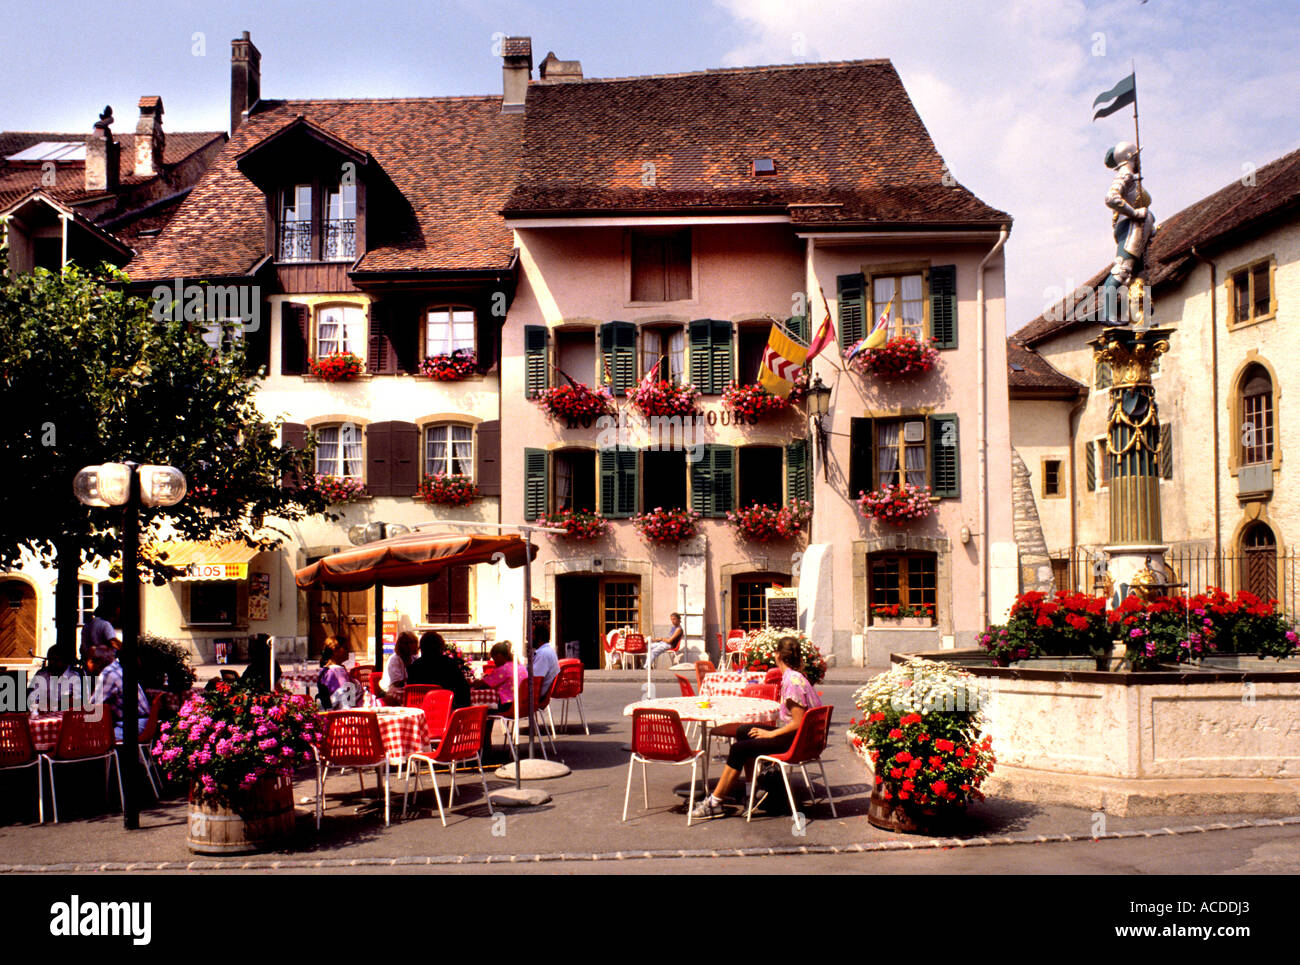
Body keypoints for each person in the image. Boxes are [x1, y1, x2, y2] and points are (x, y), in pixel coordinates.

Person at [692, 634, 821, 820]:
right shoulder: (797, 677)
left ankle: (714, 802)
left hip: (797, 743)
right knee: (745, 731)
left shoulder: (792, 683)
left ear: (777, 655)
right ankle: (751, 791)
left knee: (738, 749)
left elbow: (798, 722)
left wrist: (771, 734)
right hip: (804, 739)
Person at [86, 644, 150, 741]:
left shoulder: (108, 674)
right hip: (143, 722)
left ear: (96, 661)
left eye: (87, 660)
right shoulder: (117, 669)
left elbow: (92, 706)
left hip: (134, 725)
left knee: (93, 740)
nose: (86, 664)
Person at [406, 630, 471, 708]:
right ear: (441, 647)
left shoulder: (414, 667)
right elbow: (463, 691)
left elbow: (410, 693)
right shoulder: (450, 665)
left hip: (420, 711)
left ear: (422, 648)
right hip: (446, 711)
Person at [28, 643, 84, 712]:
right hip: (45, 714)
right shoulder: (41, 675)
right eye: (50, 660)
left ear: (65, 661)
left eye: (56, 660)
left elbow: (77, 701)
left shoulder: (74, 676)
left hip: (66, 715)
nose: (52, 663)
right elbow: (33, 699)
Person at [377, 631, 416, 705]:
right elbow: (396, 683)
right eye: (406, 643)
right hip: (388, 692)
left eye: (412, 642)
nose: (409, 645)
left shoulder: (414, 658)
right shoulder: (395, 659)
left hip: (405, 690)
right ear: (400, 645)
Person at [317, 638, 357, 709]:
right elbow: (347, 701)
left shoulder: (327, 669)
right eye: (345, 648)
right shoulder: (337, 672)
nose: (348, 650)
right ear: (335, 651)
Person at [530, 625, 560, 697]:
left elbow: (535, 678)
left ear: (539, 638)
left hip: (537, 694)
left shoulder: (543, 654)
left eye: (532, 634)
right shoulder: (548, 650)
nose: (528, 638)